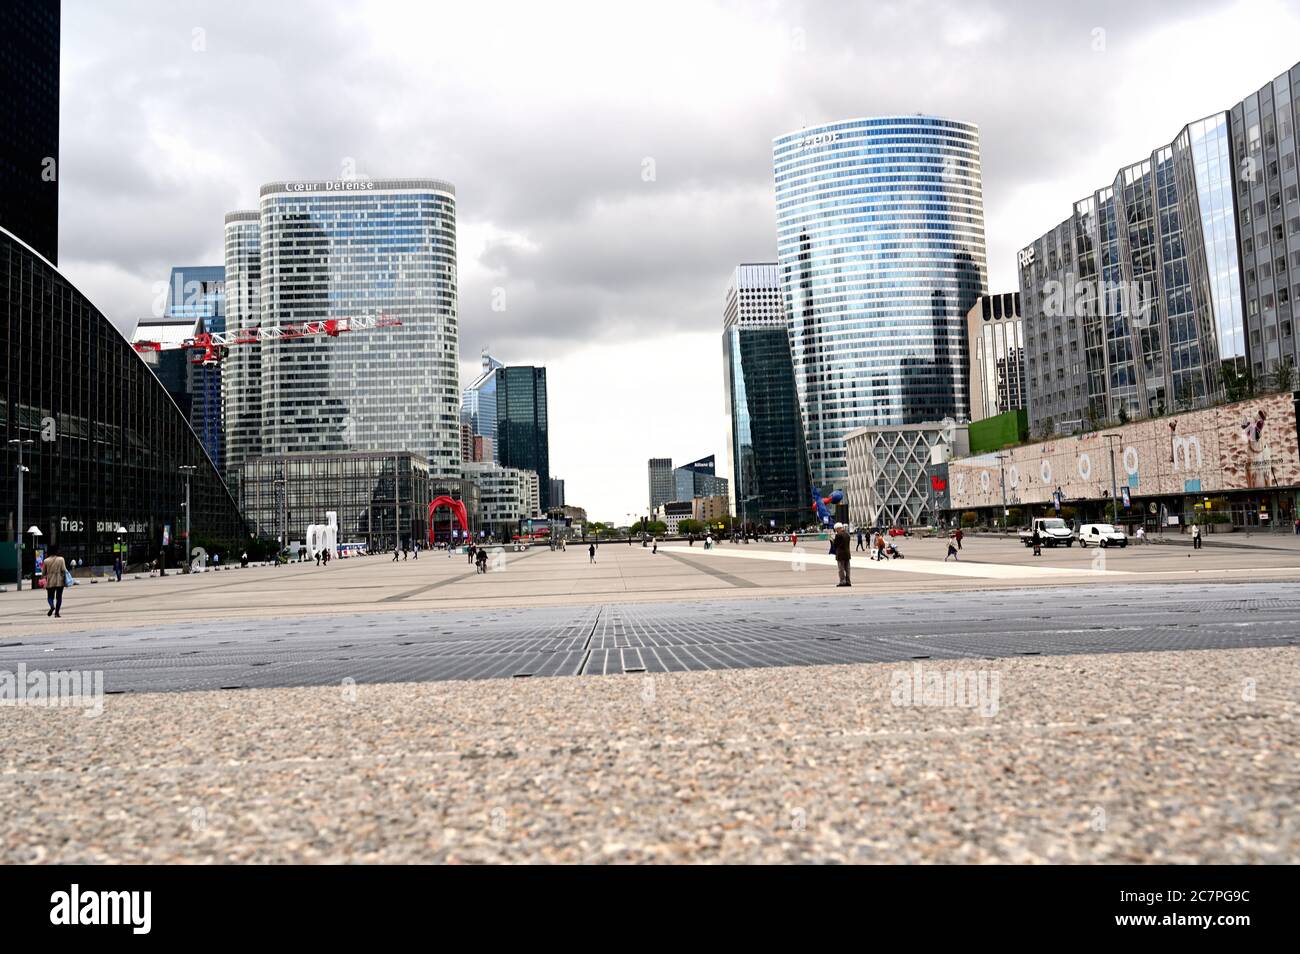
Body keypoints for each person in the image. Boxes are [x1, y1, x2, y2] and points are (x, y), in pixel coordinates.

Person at [43, 545, 68, 618]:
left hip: (50, 581)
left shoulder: (46, 561)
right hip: (59, 581)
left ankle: (52, 606)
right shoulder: (61, 559)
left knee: (50, 597)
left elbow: (43, 573)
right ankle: (57, 613)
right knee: (59, 598)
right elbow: (64, 570)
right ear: (57, 551)